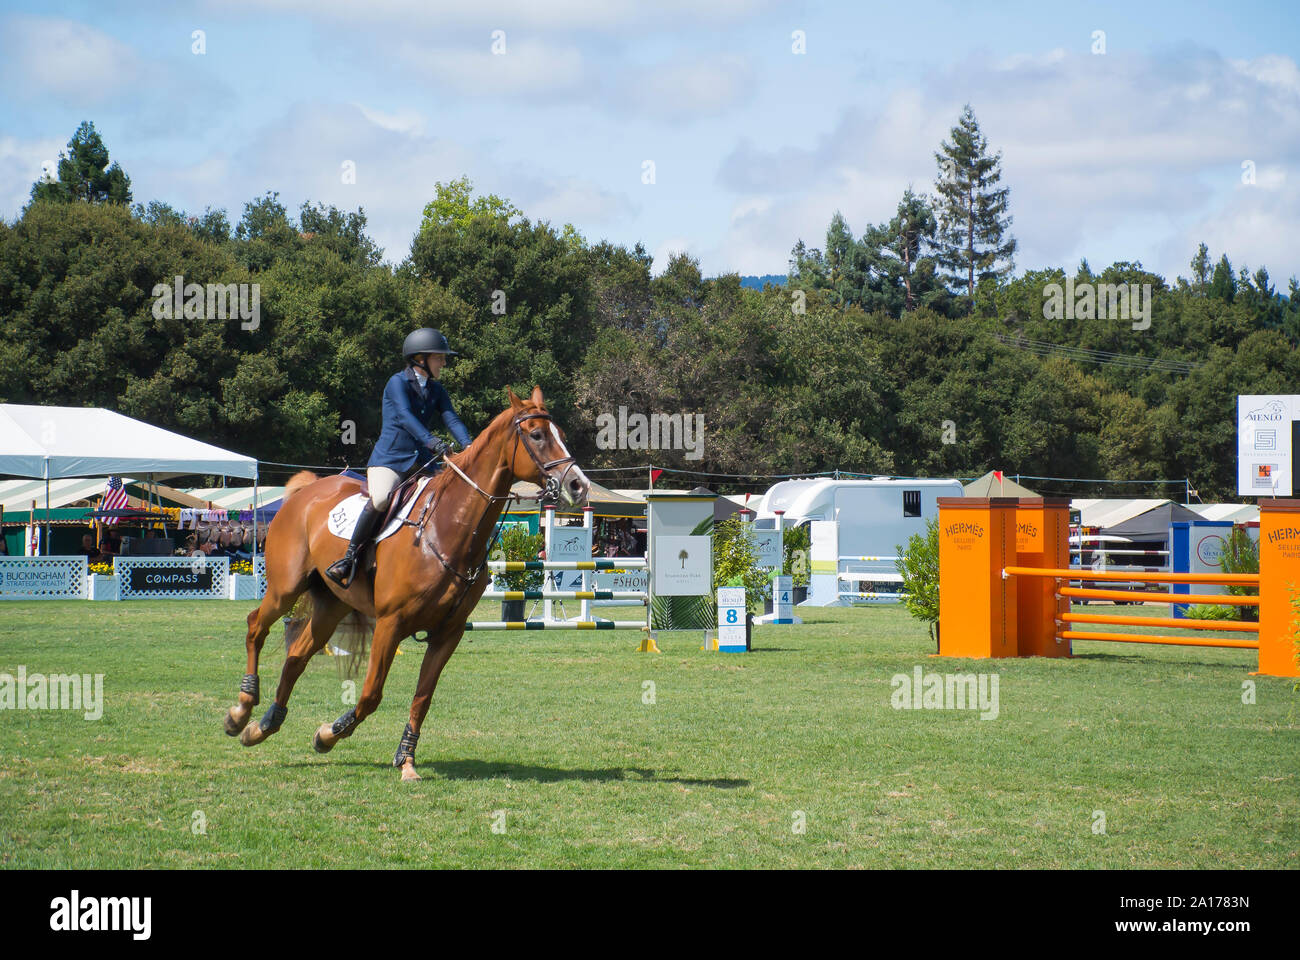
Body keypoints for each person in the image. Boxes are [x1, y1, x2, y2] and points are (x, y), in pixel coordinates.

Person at [327, 328, 473, 587]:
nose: (444, 362)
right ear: (421, 358)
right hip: (391, 459)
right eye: (439, 357)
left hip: (423, 461)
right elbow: (405, 417)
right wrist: (434, 441)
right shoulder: (397, 383)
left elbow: (450, 417)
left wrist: (470, 445)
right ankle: (349, 558)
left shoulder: (437, 390)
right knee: (381, 499)